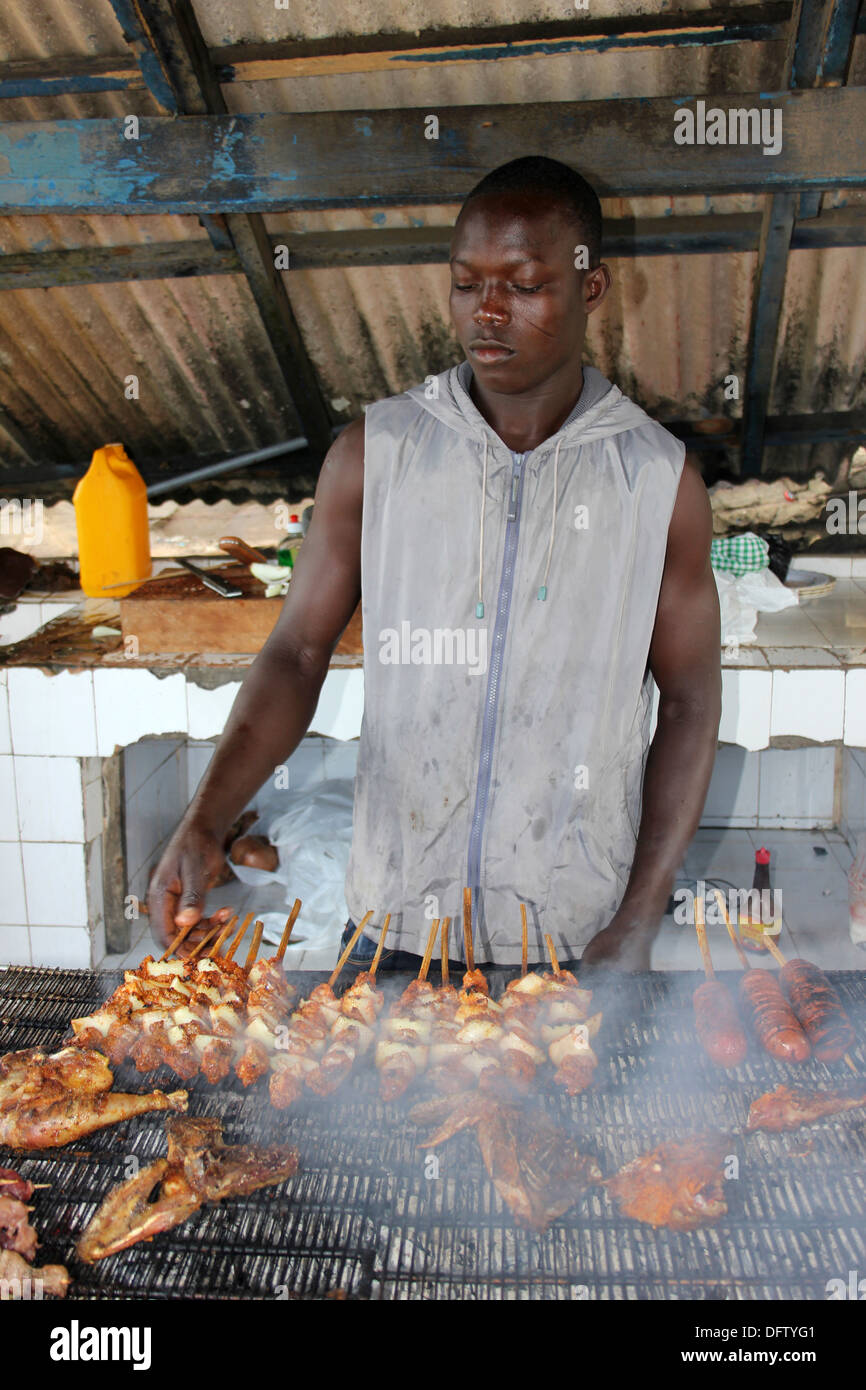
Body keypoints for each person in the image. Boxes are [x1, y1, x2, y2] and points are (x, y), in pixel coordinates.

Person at [149, 155, 721, 973]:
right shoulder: (375, 455)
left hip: (572, 934)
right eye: (465, 283)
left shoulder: (658, 481)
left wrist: (637, 917)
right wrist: (207, 817)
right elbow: (297, 652)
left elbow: (693, 702)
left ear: (592, 288)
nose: (487, 312)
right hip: (394, 928)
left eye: (522, 285)